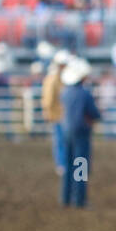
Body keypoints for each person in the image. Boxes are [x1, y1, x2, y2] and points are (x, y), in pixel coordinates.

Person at [59, 57, 100, 207]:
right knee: (80, 165)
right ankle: (79, 199)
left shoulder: (65, 92)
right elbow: (94, 113)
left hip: (67, 131)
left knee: (68, 165)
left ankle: (65, 197)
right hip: (81, 133)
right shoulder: (84, 94)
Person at [40, 44, 68, 174]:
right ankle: (61, 164)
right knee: (61, 140)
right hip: (59, 114)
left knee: (61, 140)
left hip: (61, 114)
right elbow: (49, 98)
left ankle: (62, 163)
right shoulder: (55, 79)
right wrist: (48, 109)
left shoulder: (54, 78)